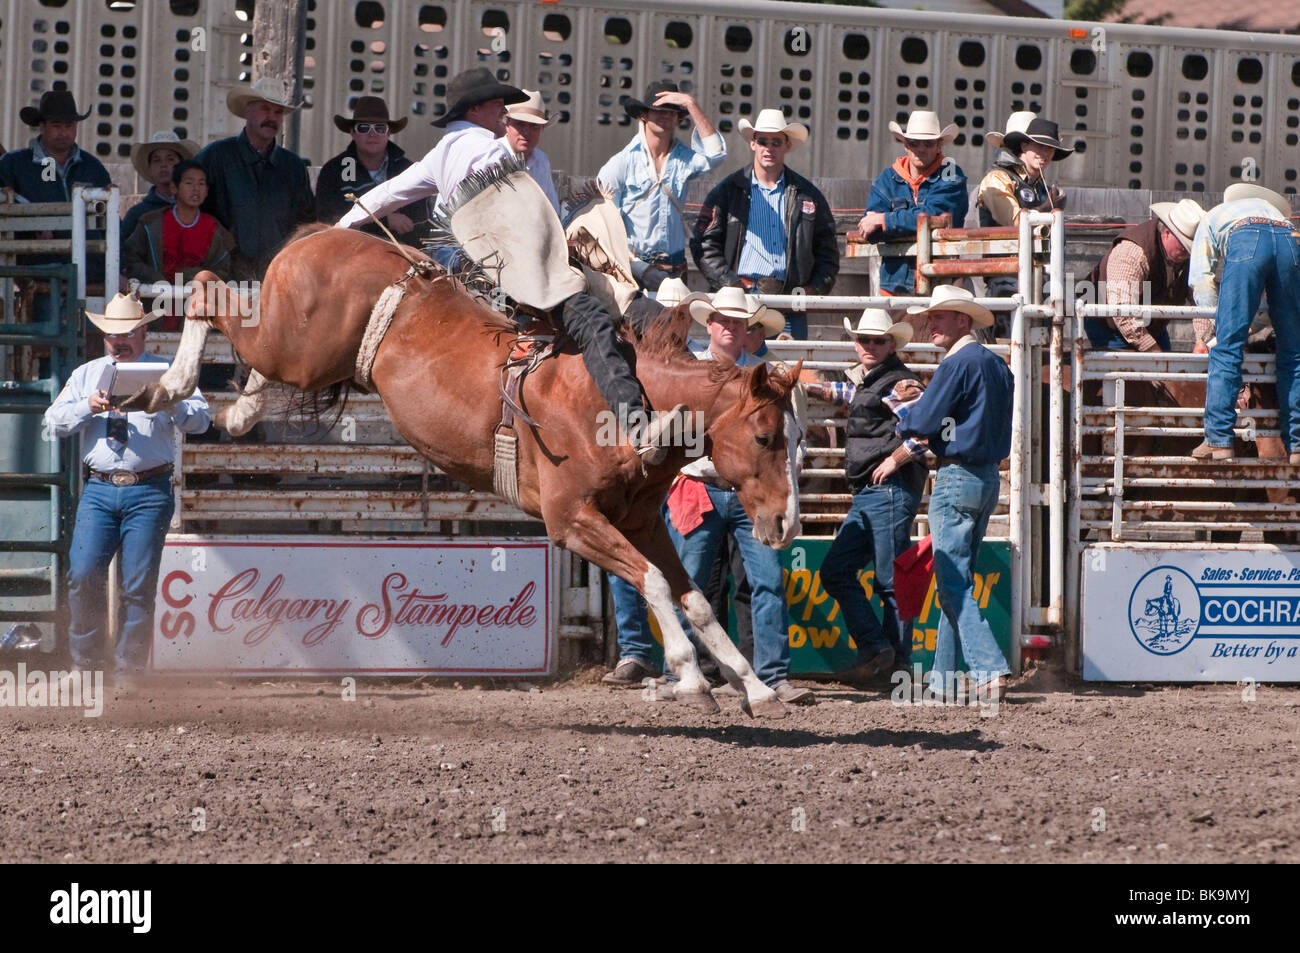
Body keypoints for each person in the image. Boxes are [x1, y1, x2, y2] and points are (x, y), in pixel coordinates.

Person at [335, 67, 678, 464]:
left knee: (603, 312)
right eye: (505, 111)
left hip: (475, 265)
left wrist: (338, 228)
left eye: (527, 122)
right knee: (593, 318)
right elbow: (527, 227)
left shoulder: (446, 151)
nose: (510, 121)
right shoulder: (493, 150)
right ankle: (637, 424)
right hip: (504, 268)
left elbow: (388, 194)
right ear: (486, 109)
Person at [44, 293, 210, 681]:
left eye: (127, 332)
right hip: (102, 490)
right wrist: (88, 406)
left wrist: (169, 401)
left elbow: (200, 421)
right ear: (104, 337)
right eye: (111, 334)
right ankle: (86, 667)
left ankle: (128, 672)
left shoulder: (169, 371)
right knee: (83, 574)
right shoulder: (87, 374)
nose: (119, 339)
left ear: (143, 331)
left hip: (148, 490)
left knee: (137, 584)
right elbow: (53, 423)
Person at [660, 286, 813, 705]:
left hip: (749, 490)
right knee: (685, 580)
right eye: (723, 320)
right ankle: (678, 670)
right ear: (709, 324)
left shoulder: (767, 378)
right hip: (700, 484)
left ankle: (773, 675)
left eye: (738, 322)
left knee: (766, 581)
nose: (730, 327)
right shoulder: (690, 372)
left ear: (749, 329)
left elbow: (788, 438)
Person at [880, 285, 1013, 701]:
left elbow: (924, 421)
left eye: (939, 317)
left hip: (956, 476)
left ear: (963, 320)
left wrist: (903, 412)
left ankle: (988, 669)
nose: (930, 324)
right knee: (955, 580)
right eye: (931, 317)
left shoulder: (957, 364)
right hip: (987, 477)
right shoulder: (997, 365)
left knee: (952, 581)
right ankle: (942, 681)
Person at [805, 309, 926, 683]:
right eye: (864, 340)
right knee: (844, 572)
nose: (869, 346)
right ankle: (882, 652)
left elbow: (925, 430)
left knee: (884, 579)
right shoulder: (877, 382)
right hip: (874, 493)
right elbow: (851, 395)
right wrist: (806, 383)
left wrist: (895, 458)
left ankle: (893, 662)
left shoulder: (898, 383)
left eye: (877, 340)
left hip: (885, 490)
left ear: (891, 344)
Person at [692, 108, 839, 338]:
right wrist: (730, 284)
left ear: (786, 146)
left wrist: (813, 289)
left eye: (775, 142)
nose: (768, 148)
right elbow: (703, 244)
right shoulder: (728, 191)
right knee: (737, 369)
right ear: (753, 144)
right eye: (762, 141)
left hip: (789, 301)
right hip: (739, 300)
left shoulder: (808, 195)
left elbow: (828, 252)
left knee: (787, 369)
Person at [1188, 182, 1300, 463]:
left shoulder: (1214, 215)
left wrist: (1216, 325)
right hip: (1290, 241)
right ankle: (1297, 444)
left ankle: (1219, 439)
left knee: (1227, 347)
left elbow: (1200, 279)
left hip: (1246, 237)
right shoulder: (1279, 216)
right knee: (1294, 351)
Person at [597, 80, 726, 291]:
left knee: (676, 324)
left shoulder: (684, 158)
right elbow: (602, 224)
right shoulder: (622, 162)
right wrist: (641, 269)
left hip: (675, 269)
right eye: (658, 110)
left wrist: (691, 104)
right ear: (644, 115)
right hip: (633, 271)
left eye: (672, 111)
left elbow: (716, 155)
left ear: (678, 118)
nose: (665, 115)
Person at [197, 76, 315, 280]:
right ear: (246, 111)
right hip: (222, 277)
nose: (272, 117)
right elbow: (190, 211)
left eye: (278, 112)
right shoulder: (215, 157)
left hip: (277, 278)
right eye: (265, 109)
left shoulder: (293, 167)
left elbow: (306, 224)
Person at [0, 91, 112, 304]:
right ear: (41, 127)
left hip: (90, 277)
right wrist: (30, 228)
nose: (63, 132)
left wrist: (117, 268)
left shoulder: (93, 167)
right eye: (56, 126)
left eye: (69, 126)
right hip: (35, 276)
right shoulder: (13, 165)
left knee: (88, 332)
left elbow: (111, 222)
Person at [976, 115, 1073, 333]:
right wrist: (1047, 208)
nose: (1044, 153)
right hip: (1006, 277)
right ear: (1023, 146)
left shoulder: (1042, 187)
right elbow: (1014, 222)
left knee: (1043, 342)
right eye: (1038, 146)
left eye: (1049, 148)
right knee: (1011, 344)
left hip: (1040, 279)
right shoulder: (997, 179)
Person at [859, 111, 968, 299]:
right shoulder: (886, 179)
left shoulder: (952, 175)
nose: (921, 149)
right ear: (905, 145)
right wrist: (898, 223)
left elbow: (932, 215)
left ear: (939, 145)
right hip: (895, 288)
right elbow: (871, 231)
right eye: (914, 143)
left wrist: (884, 220)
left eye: (928, 143)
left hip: (941, 288)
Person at [121, 160, 237, 328]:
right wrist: (156, 279)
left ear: (207, 191)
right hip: (153, 307)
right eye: (189, 183)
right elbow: (131, 259)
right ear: (174, 188)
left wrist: (196, 276)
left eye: (201, 184)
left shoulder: (215, 229)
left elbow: (224, 269)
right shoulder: (151, 223)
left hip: (197, 312)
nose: (196, 189)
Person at [1082, 199, 1205, 354]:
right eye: (1184, 246)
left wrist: (1202, 340)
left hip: (1150, 324)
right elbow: (1122, 314)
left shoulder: (1186, 257)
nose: (1188, 253)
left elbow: (1202, 300)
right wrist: (1154, 353)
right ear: (1167, 233)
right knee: (1128, 373)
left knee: (1161, 371)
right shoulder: (1132, 253)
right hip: (1109, 325)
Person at [314, 97, 427, 246]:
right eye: (364, 128)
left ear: (388, 133)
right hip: (347, 255)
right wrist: (386, 220)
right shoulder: (334, 170)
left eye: (380, 128)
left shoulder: (406, 169)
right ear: (352, 132)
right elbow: (328, 218)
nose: (372, 134)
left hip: (399, 255)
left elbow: (419, 219)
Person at [120, 130, 198, 244]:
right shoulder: (137, 215)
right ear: (150, 169)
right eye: (157, 160)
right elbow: (126, 255)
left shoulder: (197, 211)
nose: (163, 165)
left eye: (170, 159)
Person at [498, 90, 561, 214]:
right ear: (507, 124)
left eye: (534, 126)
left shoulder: (541, 160)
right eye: (520, 124)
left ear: (542, 129)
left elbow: (552, 210)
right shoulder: (493, 155)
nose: (526, 132)